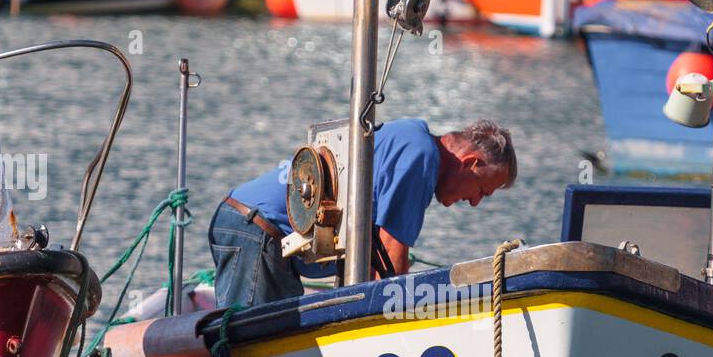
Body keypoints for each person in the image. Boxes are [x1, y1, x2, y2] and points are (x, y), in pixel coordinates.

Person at [208, 117, 517, 309]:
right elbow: (393, 254)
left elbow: (379, 263)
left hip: (254, 229)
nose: (476, 202)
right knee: (249, 355)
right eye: (483, 191)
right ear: (471, 162)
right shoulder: (421, 158)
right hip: (255, 232)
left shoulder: (412, 140)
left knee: (272, 348)